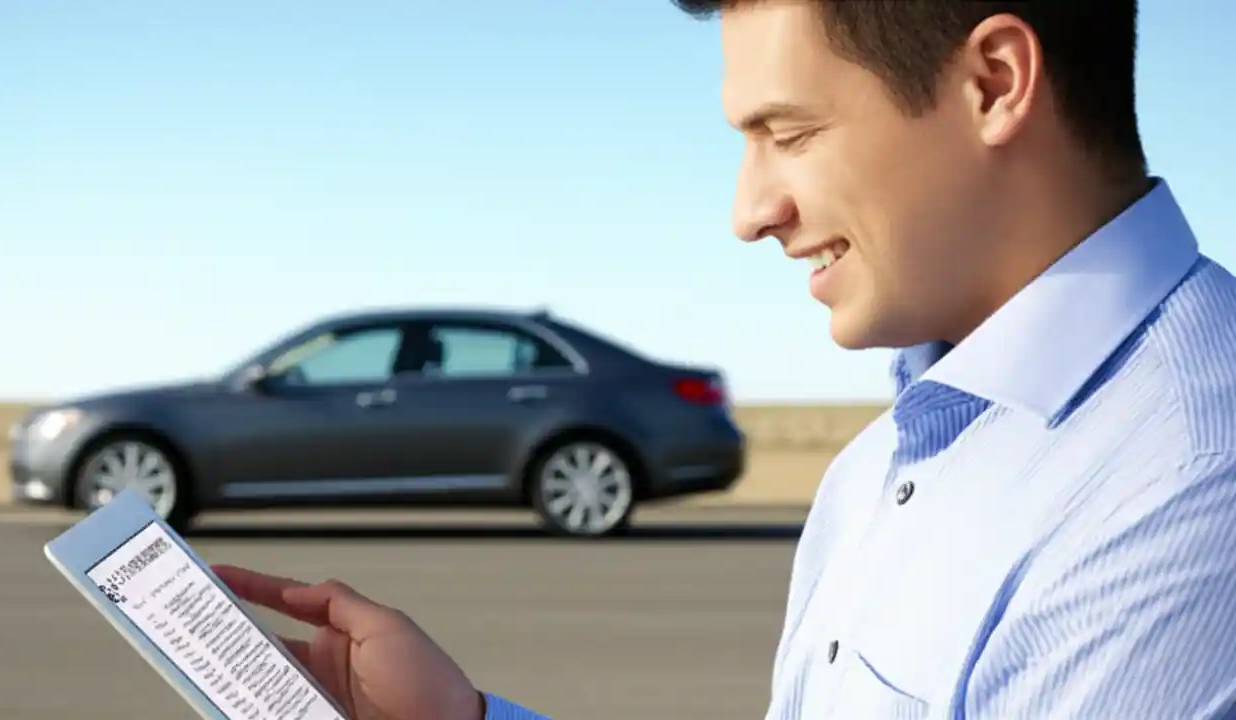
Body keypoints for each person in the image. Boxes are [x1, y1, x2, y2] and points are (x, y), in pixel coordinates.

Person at [214, 0, 1236, 717]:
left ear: (992, 82)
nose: (750, 212)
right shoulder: (891, 459)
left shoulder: (1189, 490)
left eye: (786, 133)